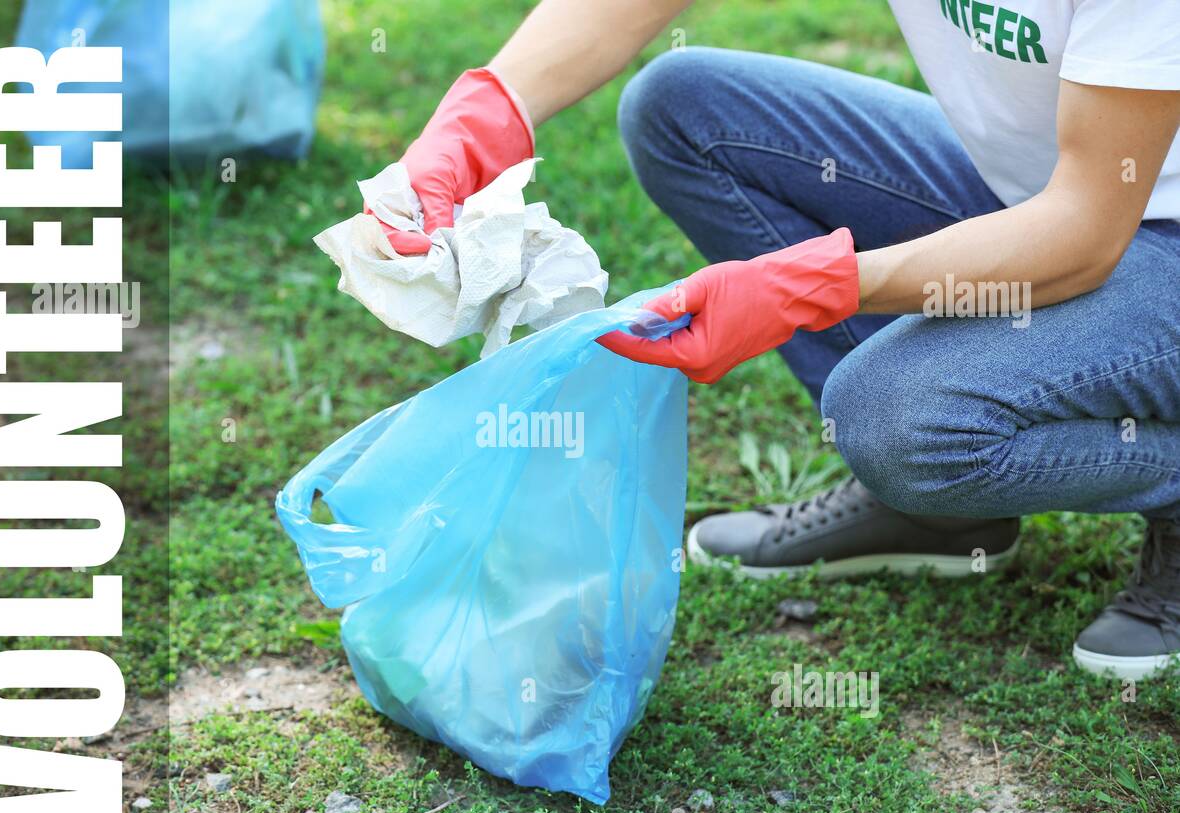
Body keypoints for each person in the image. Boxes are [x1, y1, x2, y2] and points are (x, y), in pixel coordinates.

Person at [369, 0, 1180, 680]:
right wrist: (487, 112)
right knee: (684, 108)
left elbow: (1084, 230)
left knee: (897, 418)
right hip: (1038, 193)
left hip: (1134, 233)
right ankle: (933, 514)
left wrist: (810, 287)